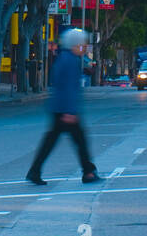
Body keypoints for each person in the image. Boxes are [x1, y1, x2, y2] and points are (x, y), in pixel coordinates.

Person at [26, 28, 98, 186]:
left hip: (59, 108)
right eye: (82, 44)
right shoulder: (70, 60)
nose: (84, 47)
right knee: (79, 140)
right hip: (65, 110)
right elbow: (68, 88)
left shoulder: (65, 58)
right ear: (75, 44)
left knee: (52, 141)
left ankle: (35, 170)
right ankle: (88, 172)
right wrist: (70, 111)